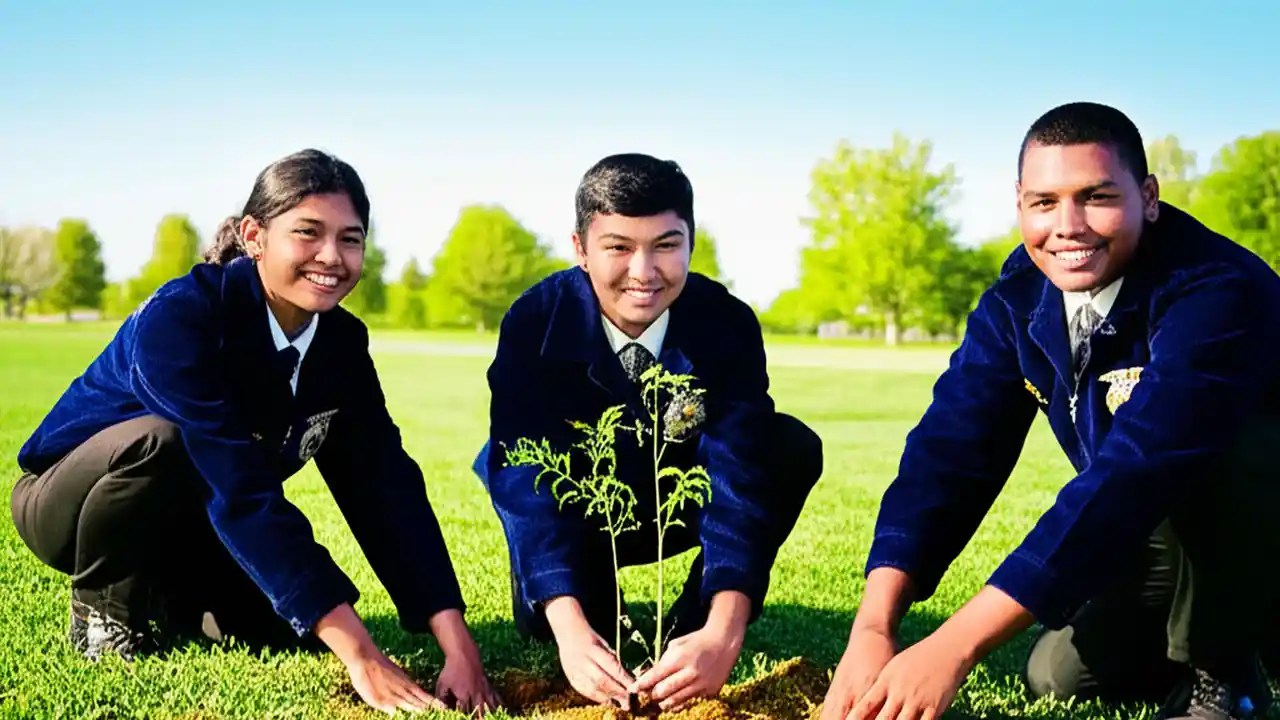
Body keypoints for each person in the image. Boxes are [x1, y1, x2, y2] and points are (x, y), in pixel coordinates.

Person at [821, 101, 1280, 720]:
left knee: (1237, 447)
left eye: (1095, 197)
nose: (1068, 226)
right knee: (1055, 676)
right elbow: (950, 454)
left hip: (1256, 522)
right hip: (1157, 534)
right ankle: (1197, 639)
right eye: (1044, 202)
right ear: (1019, 204)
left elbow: (1139, 469)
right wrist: (874, 626)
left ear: (1148, 196)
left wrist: (952, 648)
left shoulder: (1218, 289)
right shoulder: (1017, 298)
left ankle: (1227, 675)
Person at [10, 149, 500, 715]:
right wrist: (360, 653)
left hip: (192, 520)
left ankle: (170, 599)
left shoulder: (341, 345)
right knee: (165, 440)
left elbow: (384, 487)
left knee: (282, 628)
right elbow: (237, 486)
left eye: (351, 239)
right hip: (70, 506)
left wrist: (456, 642)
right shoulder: (185, 315)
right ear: (254, 236)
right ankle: (103, 605)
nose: (331, 256)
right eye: (308, 233)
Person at [472, 153, 823, 712]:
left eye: (665, 244)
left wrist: (723, 629)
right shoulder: (535, 322)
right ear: (580, 248)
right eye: (618, 247)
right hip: (581, 506)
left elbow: (740, 473)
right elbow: (524, 474)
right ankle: (566, 599)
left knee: (788, 446)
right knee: (578, 637)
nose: (644, 271)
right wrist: (568, 625)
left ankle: (689, 628)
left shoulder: (725, 323)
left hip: (676, 498)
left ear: (690, 242)